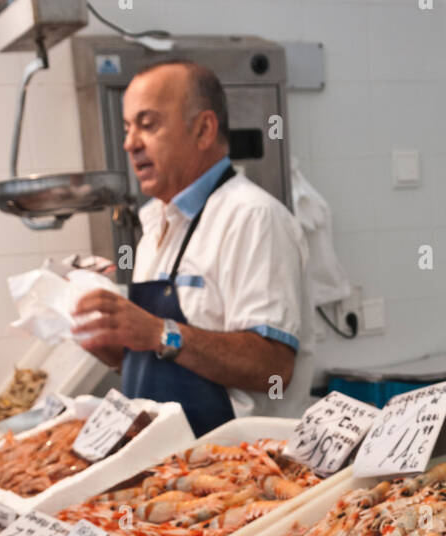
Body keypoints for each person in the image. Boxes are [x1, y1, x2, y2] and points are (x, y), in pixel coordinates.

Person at [73, 60, 310, 436]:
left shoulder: (252, 218)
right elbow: (172, 358)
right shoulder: (154, 227)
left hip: (239, 469)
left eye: (148, 125)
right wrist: (120, 352)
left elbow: (273, 368)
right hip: (166, 461)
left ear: (203, 130)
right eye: (127, 128)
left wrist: (158, 332)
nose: (130, 143)